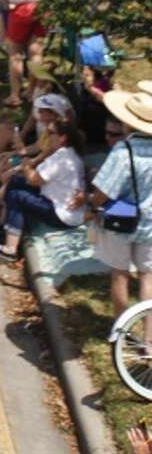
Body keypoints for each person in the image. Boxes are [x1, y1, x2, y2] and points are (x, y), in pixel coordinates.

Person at [0, 109, 86, 260]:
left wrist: (22, 153)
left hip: (61, 214)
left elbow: (33, 179)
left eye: (51, 133)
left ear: (62, 138)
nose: (47, 135)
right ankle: (3, 224)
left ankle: (10, 248)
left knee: (17, 195)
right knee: (16, 181)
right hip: (56, 201)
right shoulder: (65, 153)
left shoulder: (61, 158)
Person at [89, 82, 152, 322]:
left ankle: (121, 329)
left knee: (120, 274)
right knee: (148, 277)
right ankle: (149, 342)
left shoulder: (123, 152)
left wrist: (93, 206)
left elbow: (104, 191)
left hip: (121, 220)